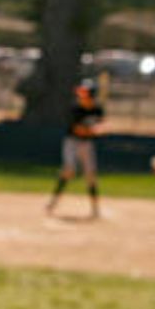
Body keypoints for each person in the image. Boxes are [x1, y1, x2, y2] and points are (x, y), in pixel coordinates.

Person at [46, 79, 105, 219]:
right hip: (72, 142)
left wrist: (97, 130)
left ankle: (95, 209)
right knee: (69, 170)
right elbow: (79, 130)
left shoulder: (97, 109)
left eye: (84, 93)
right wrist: (94, 131)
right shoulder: (75, 109)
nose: (81, 95)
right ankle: (53, 202)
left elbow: (103, 125)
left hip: (87, 145)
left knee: (91, 176)